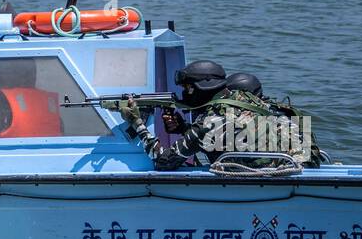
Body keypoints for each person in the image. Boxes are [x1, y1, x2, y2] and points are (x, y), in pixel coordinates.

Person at [120, 60, 321, 169]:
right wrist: (183, 129)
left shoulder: (209, 122)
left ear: (200, 88)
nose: (184, 93)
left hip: (272, 182)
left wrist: (137, 123)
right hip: (302, 166)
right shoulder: (245, 98)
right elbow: (232, 135)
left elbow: (163, 161)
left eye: (188, 88)